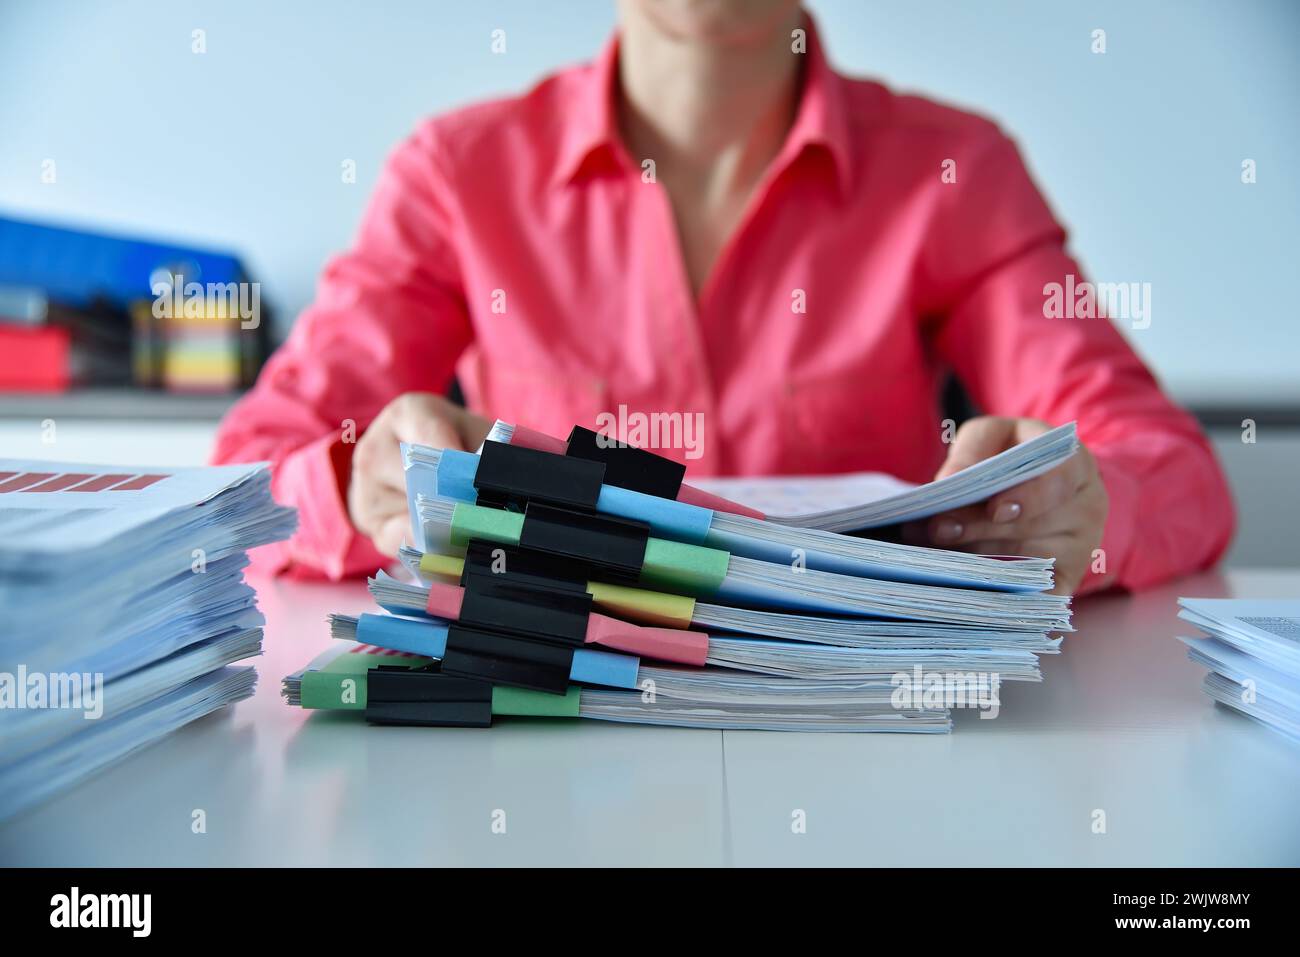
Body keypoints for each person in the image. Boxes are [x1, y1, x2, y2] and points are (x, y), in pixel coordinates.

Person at [213, 0, 1234, 595]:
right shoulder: (453, 174)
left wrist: (1084, 511)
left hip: (877, 763)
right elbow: (243, 479)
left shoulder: (955, 170)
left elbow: (1169, 468)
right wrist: (353, 485)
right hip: (534, 746)